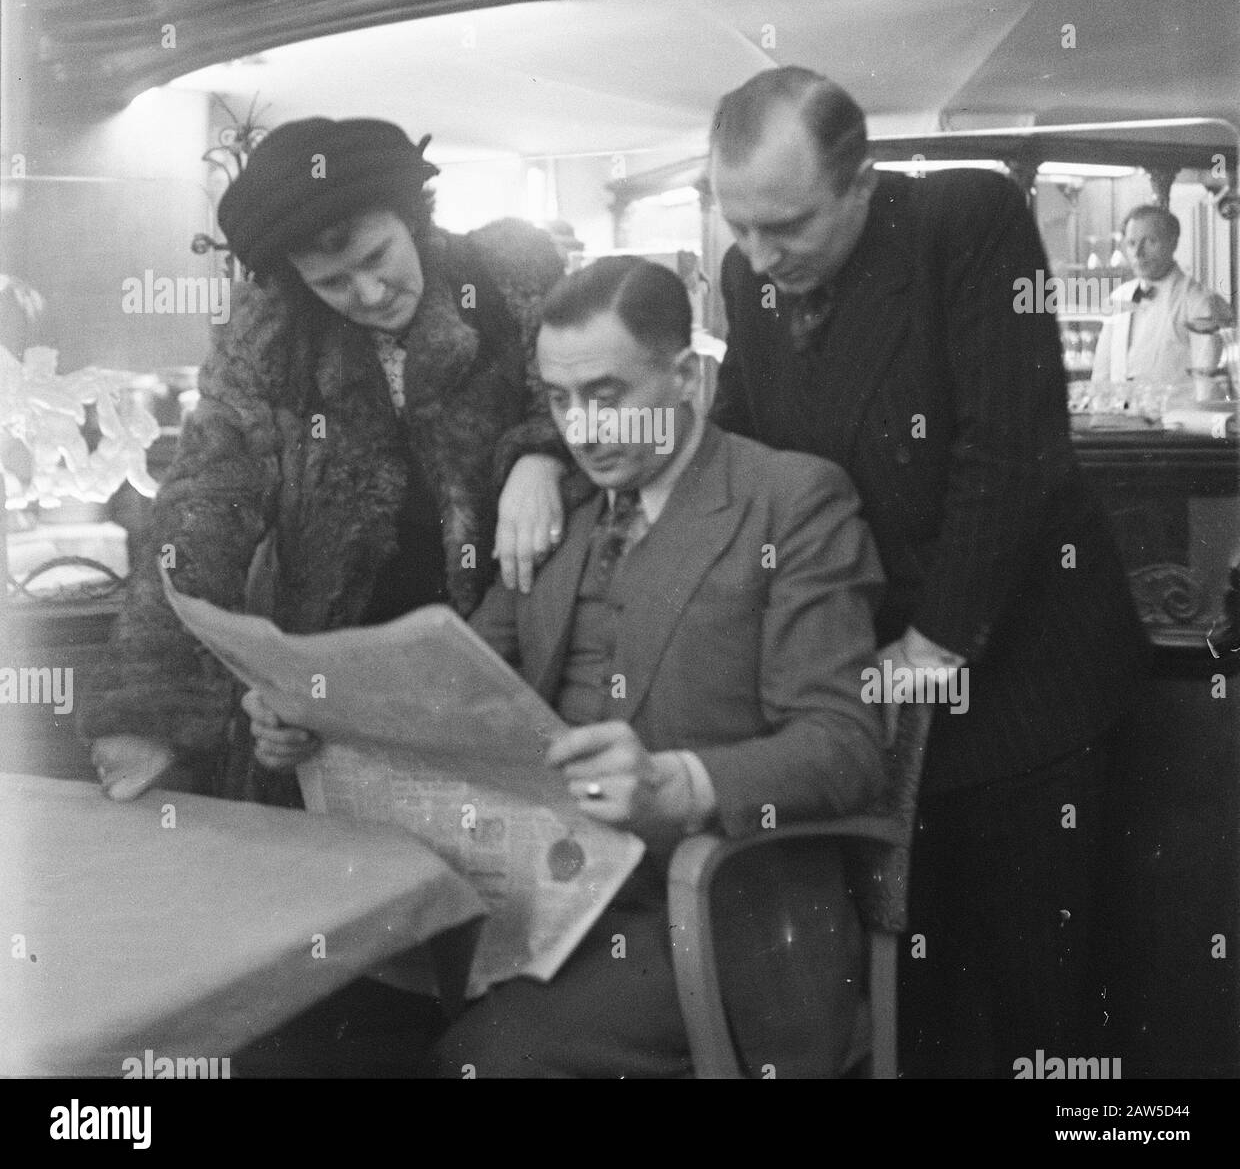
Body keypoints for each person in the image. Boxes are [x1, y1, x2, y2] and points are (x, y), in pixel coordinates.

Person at [246, 255, 888, 1077]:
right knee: (294, 1014)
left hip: (711, 914)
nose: (581, 431)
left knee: (481, 1062)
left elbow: (846, 746)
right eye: (559, 402)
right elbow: (446, 685)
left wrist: (675, 783)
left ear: (687, 377)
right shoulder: (561, 514)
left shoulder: (791, 502)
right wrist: (316, 714)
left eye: (607, 397)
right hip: (540, 895)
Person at [707, 66, 1150, 1078]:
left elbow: (1010, 452)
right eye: (737, 228)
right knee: (923, 999)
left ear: (860, 183)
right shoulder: (748, 279)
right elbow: (740, 442)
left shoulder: (966, 217)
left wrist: (932, 646)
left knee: (1046, 1003)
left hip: (1024, 682)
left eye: (785, 226)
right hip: (880, 696)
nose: (760, 258)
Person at [79, 117, 569, 804]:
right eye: (333, 282)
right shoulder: (268, 341)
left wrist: (540, 453)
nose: (368, 295)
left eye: (378, 257)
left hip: (509, 656)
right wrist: (145, 710)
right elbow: (198, 515)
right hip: (339, 687)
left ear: (412, 217)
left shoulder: (506, 276)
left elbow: (595, 394)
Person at [1091, 203, 1233, 394]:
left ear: (1173, 243)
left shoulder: (1200, 302)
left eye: (1149, 241)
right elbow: (1101, 376)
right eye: (1132, 243)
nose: (1138, 253)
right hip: (1118, 420)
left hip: (1175, 422)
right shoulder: (1118, 297)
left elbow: (1207, 385)